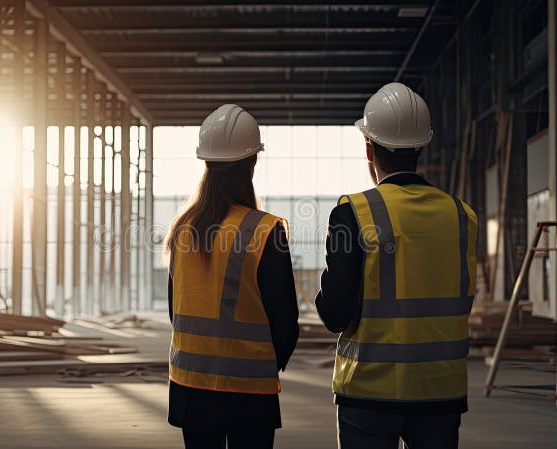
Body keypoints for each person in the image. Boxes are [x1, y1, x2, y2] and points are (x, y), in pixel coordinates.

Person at [315, 82, 478, 449]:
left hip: (369, 392)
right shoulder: (461, 215)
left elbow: (335, 315)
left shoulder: (352, 213)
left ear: (368, 147)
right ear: (422, 145)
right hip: (441, 391)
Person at [165, 104, 300, 449]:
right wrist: (267, 362)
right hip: (248, 392)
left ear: (206, 163)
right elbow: (285, 321)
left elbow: (174, 311)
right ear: (252, 163)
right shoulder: (265, 230)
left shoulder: (183, 230)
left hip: (190, 388)